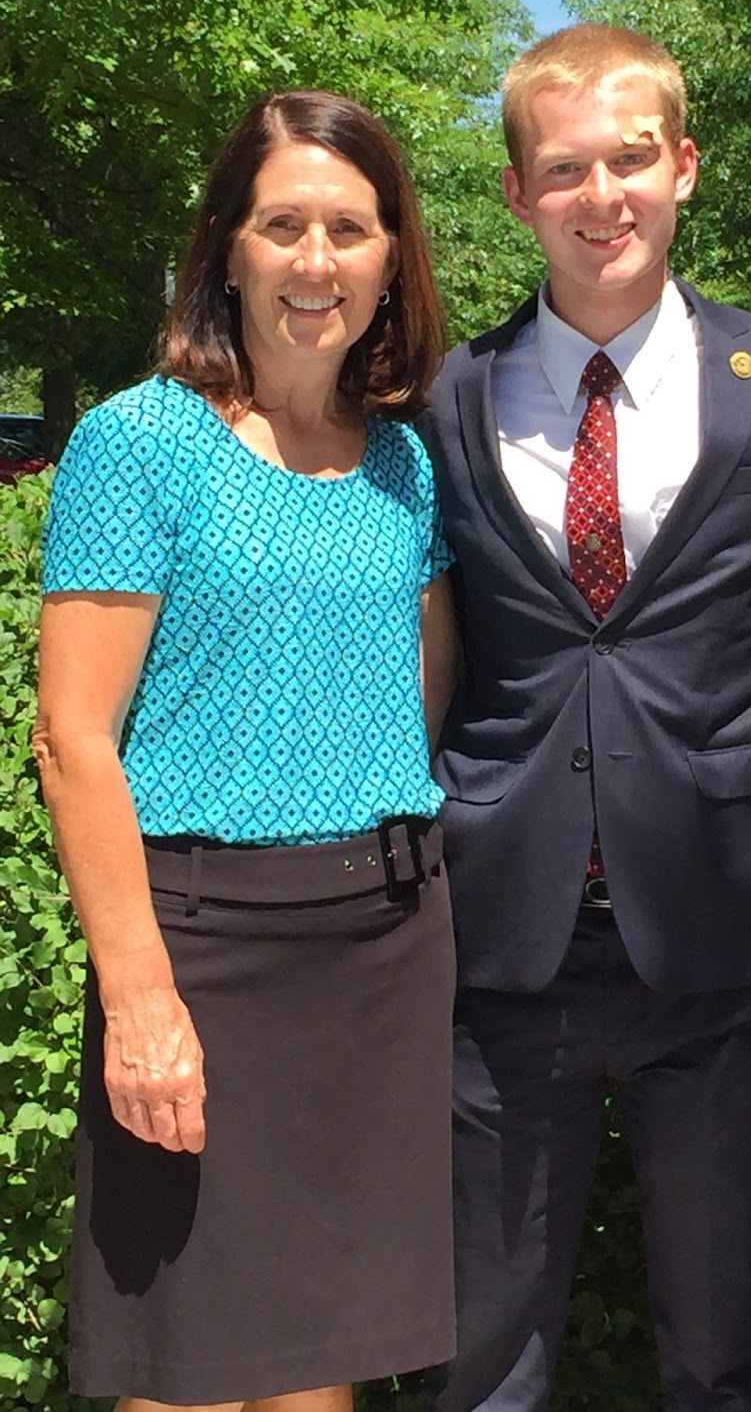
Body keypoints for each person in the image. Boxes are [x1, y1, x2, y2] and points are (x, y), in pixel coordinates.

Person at [420, 22, 751, 1412]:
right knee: (485, 1356)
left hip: (713, 931)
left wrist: (700, 692)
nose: (600, 194)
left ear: (683, 167)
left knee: (725, 1352)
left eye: (629, 159)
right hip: (502, 943)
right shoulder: (437, 398)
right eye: (564, 169)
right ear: (516, 194)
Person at [34, 89, 459, 1412]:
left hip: (381, 950)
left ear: (394, 256)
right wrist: (141, 996)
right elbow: (72, 741)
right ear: (226, 246)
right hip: (205, 951)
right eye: (284, 225)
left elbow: (418, 685)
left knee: (317, 1364)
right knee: (191, 1366)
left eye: (350, 227)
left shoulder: (404, 462)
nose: (317, 261)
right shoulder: (137, 446)